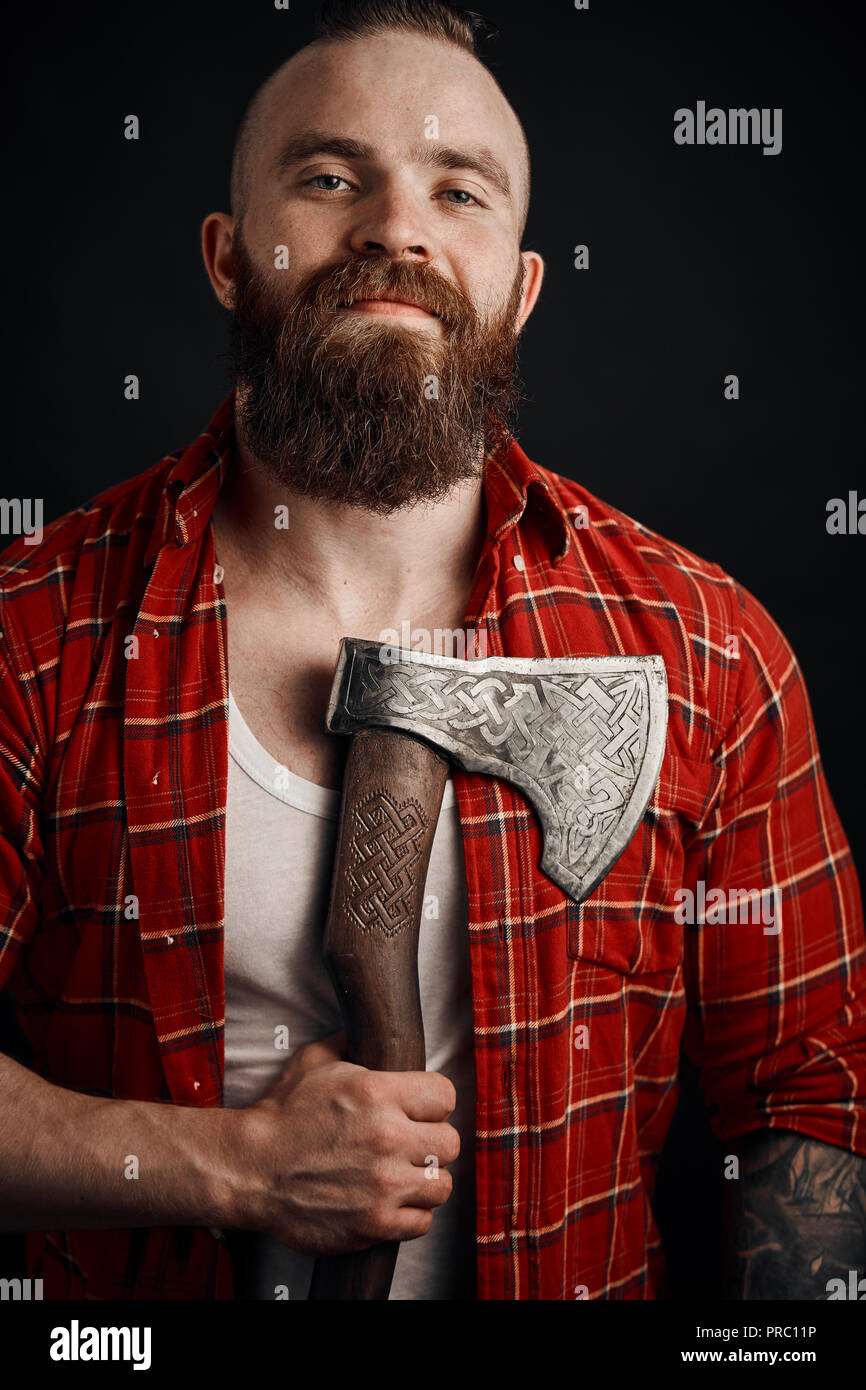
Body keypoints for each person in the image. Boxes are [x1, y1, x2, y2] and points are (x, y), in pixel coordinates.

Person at [1, 0, 864, 1301]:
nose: (394, 230)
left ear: (516, 291)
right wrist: (235, 1166)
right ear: (227, 257)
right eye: (332, 175)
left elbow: (809, 1088)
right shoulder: (32, 628)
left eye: (456, 190)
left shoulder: (705, 649)